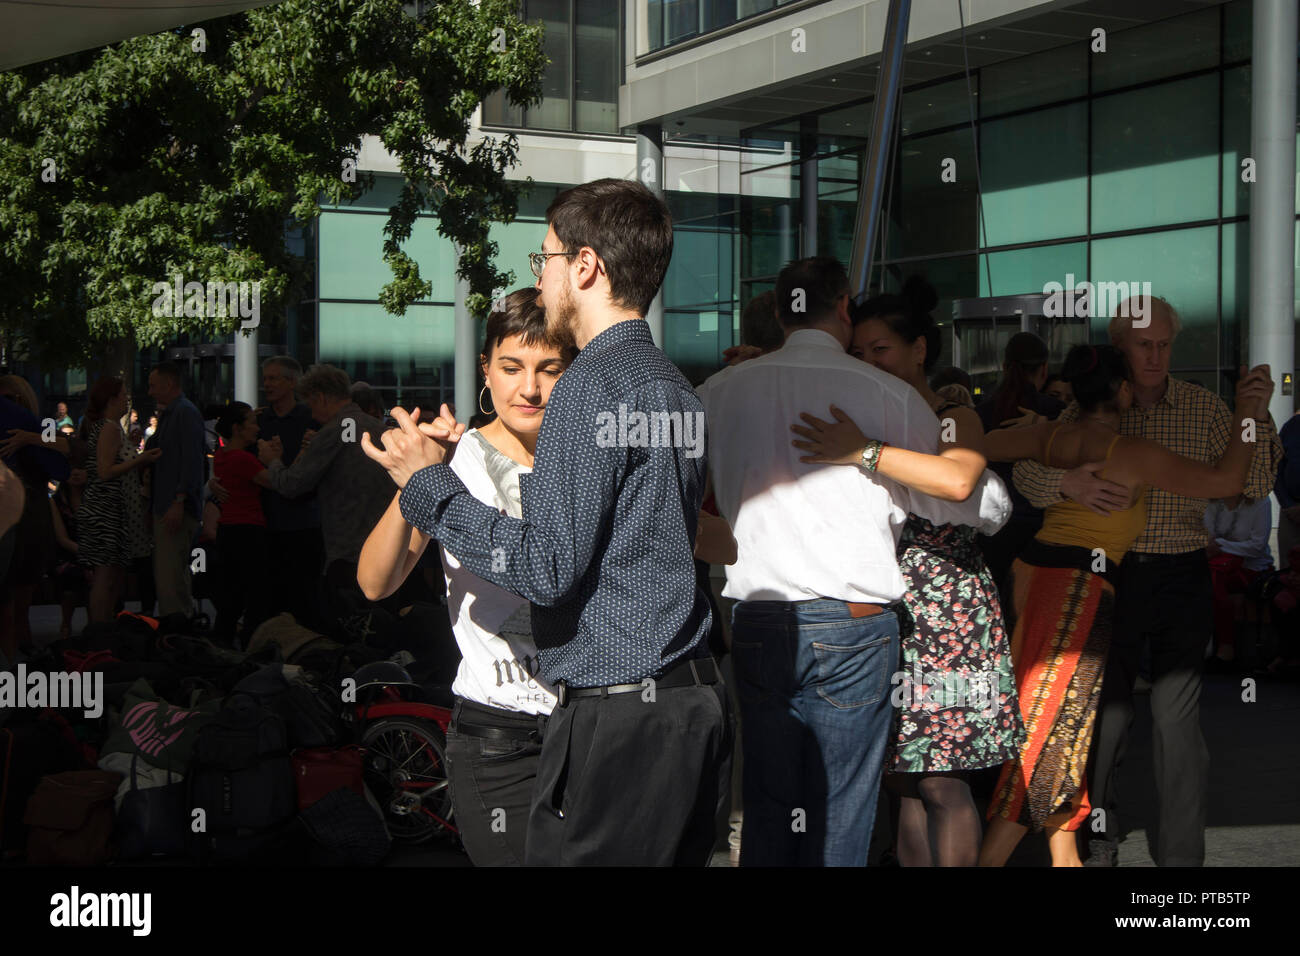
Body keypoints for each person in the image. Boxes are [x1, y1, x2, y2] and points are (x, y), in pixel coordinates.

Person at [363, 178, 731, 867]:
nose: (545, 277)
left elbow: (545, 568)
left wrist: (428, 486)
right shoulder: (671, 382)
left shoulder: (590, 383)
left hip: (620, 714)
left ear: (585, 266)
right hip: (691, 703)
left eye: (546, 260)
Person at [697, 257, 1010, 867]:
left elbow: (672, 504)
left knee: (768, 803)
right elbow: (957, 497)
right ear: (843, 306)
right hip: (857, 621)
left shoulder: (719, 392)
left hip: (759, 619)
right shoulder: (890, 394)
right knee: (841, 811)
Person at [1012, 298, 1280, 868]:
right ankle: (1097, 838)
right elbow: (1030, 470)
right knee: (1104, 717)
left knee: (1177, 724)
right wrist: (1068, 484)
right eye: (1143, 345)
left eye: (1164, 344)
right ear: (1119, 348)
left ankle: (1182, 866)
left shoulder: (1205, 408)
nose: (1156, 356)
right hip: (1108, 574)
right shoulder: (1092, 409)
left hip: (1182, 572)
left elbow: (1248, 488)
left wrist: (1252, 414)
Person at [782, 273, 1023, 867]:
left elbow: (960, 478)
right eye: (857, 351)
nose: (867, 361)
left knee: (941, 780)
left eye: (880, 349)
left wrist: (861, 451)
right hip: (880, 611)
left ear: (919, 349)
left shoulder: (952, 412)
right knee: (900, 782)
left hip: (947, 615)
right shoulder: (860, 409)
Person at [358, 289, 574, 865]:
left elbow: (713, 542)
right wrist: (416, 483)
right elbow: (376, 583)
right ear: (486, 369)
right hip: (497, 736)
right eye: (511, 367)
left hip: (593, 723)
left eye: (549, 368)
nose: (528, 388)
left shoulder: (588, 458)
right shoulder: (455, 461)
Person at [257, 364, 393, 628]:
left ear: (320, 397)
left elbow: (292, 484)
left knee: (346, 624)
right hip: (385, 546)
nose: (311, 411)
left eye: (310, 403)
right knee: (381, 626)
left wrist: (271, 461)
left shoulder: (334, 432)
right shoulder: (378, 428)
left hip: (346, 551)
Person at [976, 333, 1065, 600]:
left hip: (992, 528)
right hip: (1045, 527)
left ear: (1004, 367)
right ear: (1044, 369)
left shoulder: (980, 413)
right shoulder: (1057, 413)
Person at [75, 377, 162, 624]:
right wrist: (141, 459)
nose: (127, 399)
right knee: (105, 578)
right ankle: (99, 631)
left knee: (111, 578)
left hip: (113, 509)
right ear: (112, 399)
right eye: (124, 394)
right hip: (108, 510)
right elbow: (105, 470)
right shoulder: (110, 428)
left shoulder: (109, 427)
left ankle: (103, 628)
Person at [1, 378, 71, 659]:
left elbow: (67, 448)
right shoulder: (30, 421)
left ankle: (19, 643)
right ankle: (18, 645)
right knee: (16, 586)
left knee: (17, 585)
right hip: (26, 511)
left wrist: (29, 437)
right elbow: (64, 456)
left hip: (28, 511)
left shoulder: (33, 425)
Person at [255, 356, 327, 627]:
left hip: (305, 522)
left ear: (292, 382)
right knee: (271, 597)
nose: (267, 384)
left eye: (274, 378)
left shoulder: (312, 419)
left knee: (306, 596)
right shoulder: (259, 421)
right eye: (265, 378)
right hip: (266, 522)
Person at [147, 362, 206, 619]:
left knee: (170, 577)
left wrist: (179, 500)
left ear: (169, 385)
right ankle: (178, 628)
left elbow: (192, 460)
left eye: (153, 385)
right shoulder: (174, 412)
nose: (149, 392)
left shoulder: (184, 412)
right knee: (171, 575)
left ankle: (177, 629)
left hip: (175, 505)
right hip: (169, 504)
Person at [212, 402, 274, 646]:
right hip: (248, 531)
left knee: (232, 594)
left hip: (227, 529)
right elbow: (275, 482)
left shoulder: (222, 455)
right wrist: (275, 459)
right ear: (237, 428)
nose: (257, 428)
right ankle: (251, 642)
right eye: (252, 422)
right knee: (256, 593)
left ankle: (223, 642)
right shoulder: (242, 459)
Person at [1203, 494, 1273, 669]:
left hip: (1251, 567)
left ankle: (1226, 646)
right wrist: (1214, 546)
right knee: (1204, 576)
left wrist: (1219, 545)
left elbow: (1257, 547)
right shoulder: (1212, 499)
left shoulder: (1261, 502)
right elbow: (1206, 537)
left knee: (1214, 577)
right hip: (1218, 563)